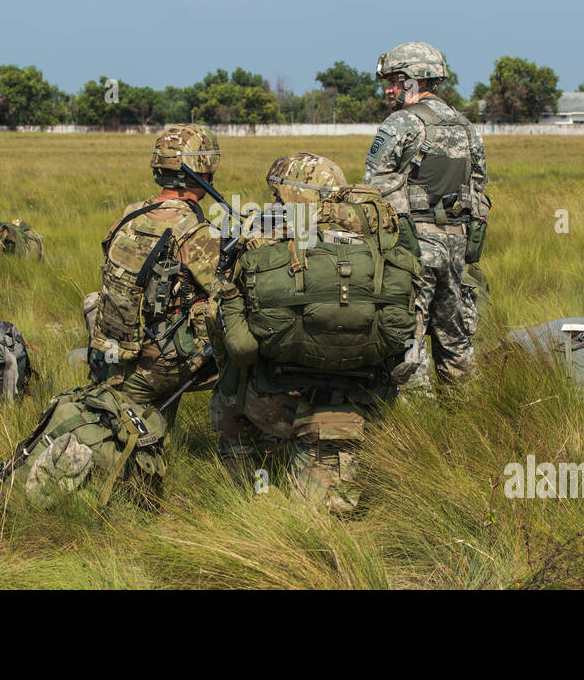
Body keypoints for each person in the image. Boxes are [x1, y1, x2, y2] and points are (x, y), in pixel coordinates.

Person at [211, 153, 421, 515]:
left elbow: (238, 343)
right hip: (353, 408)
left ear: (293, 196)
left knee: (228, 374)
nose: (273, 203)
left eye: (278, 196)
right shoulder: (384, 244)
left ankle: (249, 480)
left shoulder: (265, 241)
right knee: (329, 521)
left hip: (271, 404)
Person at [362, 41, 489, 386]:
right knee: (456, 341)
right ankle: (467, 416)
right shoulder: (466, 126)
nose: (388, 89)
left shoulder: (401, 123)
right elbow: (478, 189)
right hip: (456, 250)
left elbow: (376, 186)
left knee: (408, 337)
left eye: (394, 80)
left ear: (415, 80)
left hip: (413, 251)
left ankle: (415, 424)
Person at [84, 124, 228, 426]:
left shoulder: (130, 214)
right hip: (158, 363)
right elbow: (225, 288)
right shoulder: (192, 231)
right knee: (244, 343)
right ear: (201, 172)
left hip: (117, 351)